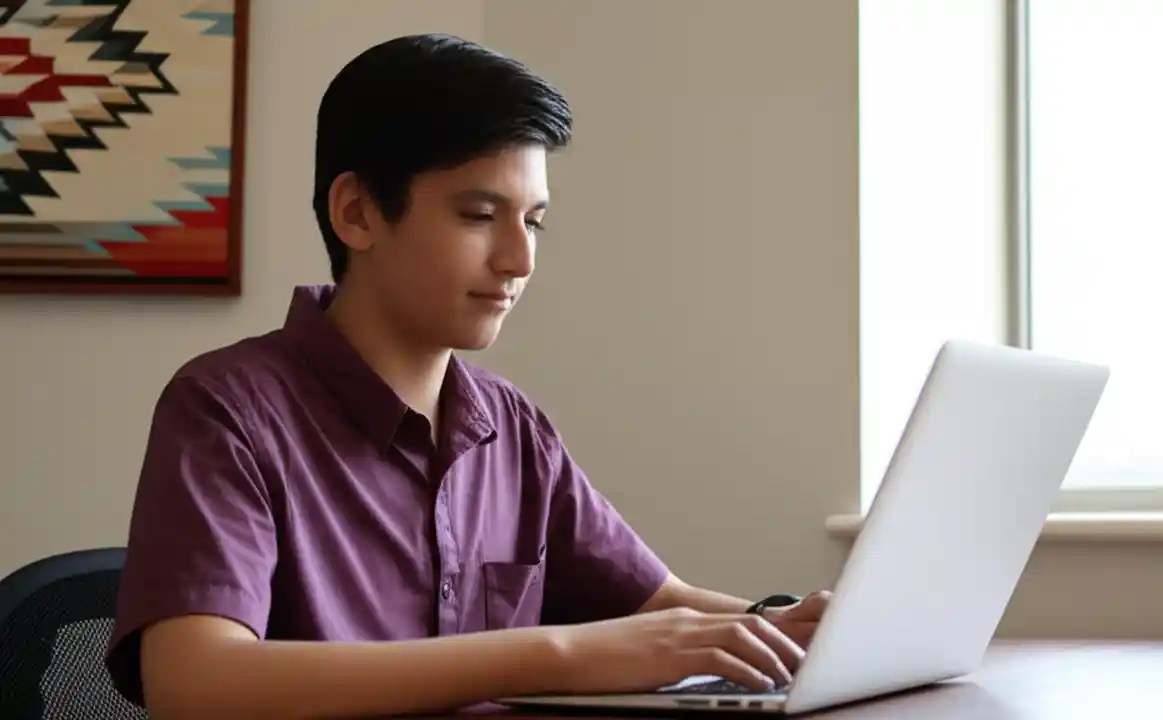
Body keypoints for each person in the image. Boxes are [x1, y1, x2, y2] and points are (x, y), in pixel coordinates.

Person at [107, 33, 831, 719]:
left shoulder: (511, 427)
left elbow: (659, 606)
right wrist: (555, 654)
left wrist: (788, 628)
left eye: (535, 223)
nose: (520, 260)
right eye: (481, 215)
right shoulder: (227, 411)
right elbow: (195, 684)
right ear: (356, 213)